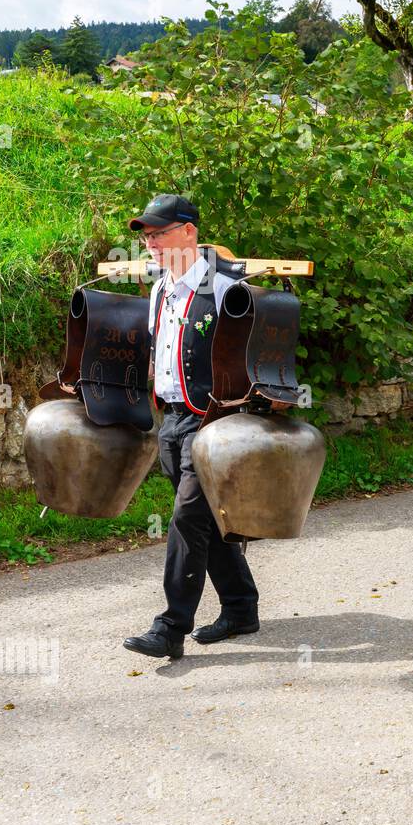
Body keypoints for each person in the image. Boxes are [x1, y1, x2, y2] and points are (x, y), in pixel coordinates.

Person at [122, 194, 261, 659]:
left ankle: (170, 628)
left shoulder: (225, 289)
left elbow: (252, 358)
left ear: (189, 231)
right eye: (146, 236)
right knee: (206, 521)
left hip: (214, 422)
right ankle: (241, 608)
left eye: (159, 233)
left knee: (186, 518)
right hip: (172, 420)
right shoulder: (161, 288)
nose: (151, 243)